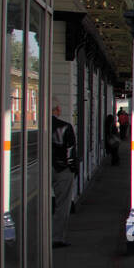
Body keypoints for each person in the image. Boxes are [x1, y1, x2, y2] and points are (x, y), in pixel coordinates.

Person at [51, 104, 78, 248]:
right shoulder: (66, 127)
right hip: (62, 170)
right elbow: (70, 151)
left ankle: (45, 234)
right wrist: (73, 169)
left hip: (45, 169)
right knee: (62, 205)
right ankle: (57, 238)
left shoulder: (40, 127)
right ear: (56, 110)